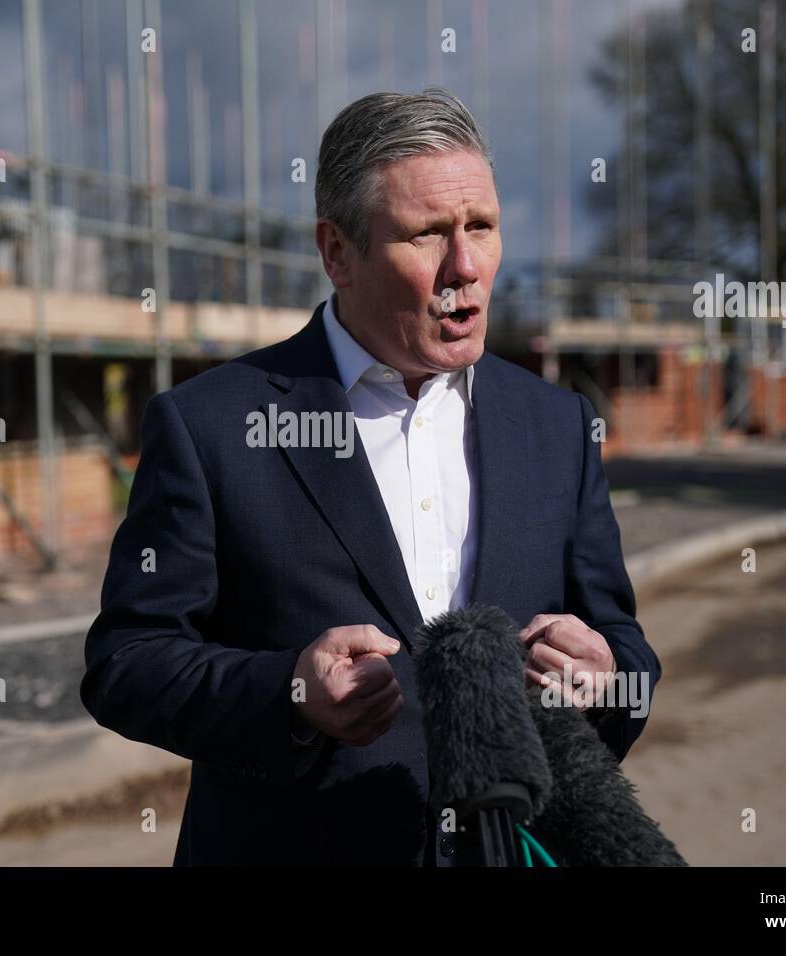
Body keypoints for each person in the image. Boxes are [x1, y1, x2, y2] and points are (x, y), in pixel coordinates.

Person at [81, 88, 661, 866]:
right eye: (427, 235)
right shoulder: (211, 425)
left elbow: (625, 647)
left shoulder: (557, 425)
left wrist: (604, 674)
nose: (466, 269)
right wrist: (290, 691)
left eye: (481, 228)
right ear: (337, 252)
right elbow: (128, 663)